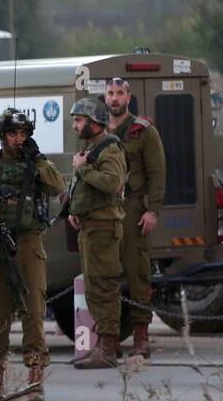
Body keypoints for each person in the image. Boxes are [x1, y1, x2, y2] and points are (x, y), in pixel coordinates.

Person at [0, 108, 66, 401]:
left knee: (34, 311)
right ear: (1, 135)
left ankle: (35, 382)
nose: (18, 139)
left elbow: (58, 186)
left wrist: (38, 159)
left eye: (23, 134)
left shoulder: (37, 165)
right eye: (13, 133)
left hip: (28, 244)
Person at [103, 77, 165, 358]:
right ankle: (110, 337)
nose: (114, 98)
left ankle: (141, 337)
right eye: (110, 93)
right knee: (106, 274)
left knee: (137, 271)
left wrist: (153, 210)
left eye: (119, 93)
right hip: (104, 211)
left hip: (132, 210)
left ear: (129, 98)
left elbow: (157, 173)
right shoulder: (98, 130)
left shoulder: (143, 131)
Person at [67, 97, 128, 369]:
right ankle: (106, 344)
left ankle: (107, 347)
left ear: (94, 122)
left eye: (79, 120)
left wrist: (84, 168)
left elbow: (112, 184)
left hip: (104, 229)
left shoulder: (110, 149)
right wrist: (74, 209)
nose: (75, 126)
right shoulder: (90, 147)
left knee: (104, 287)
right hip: (91, 227)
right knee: (93, 288)